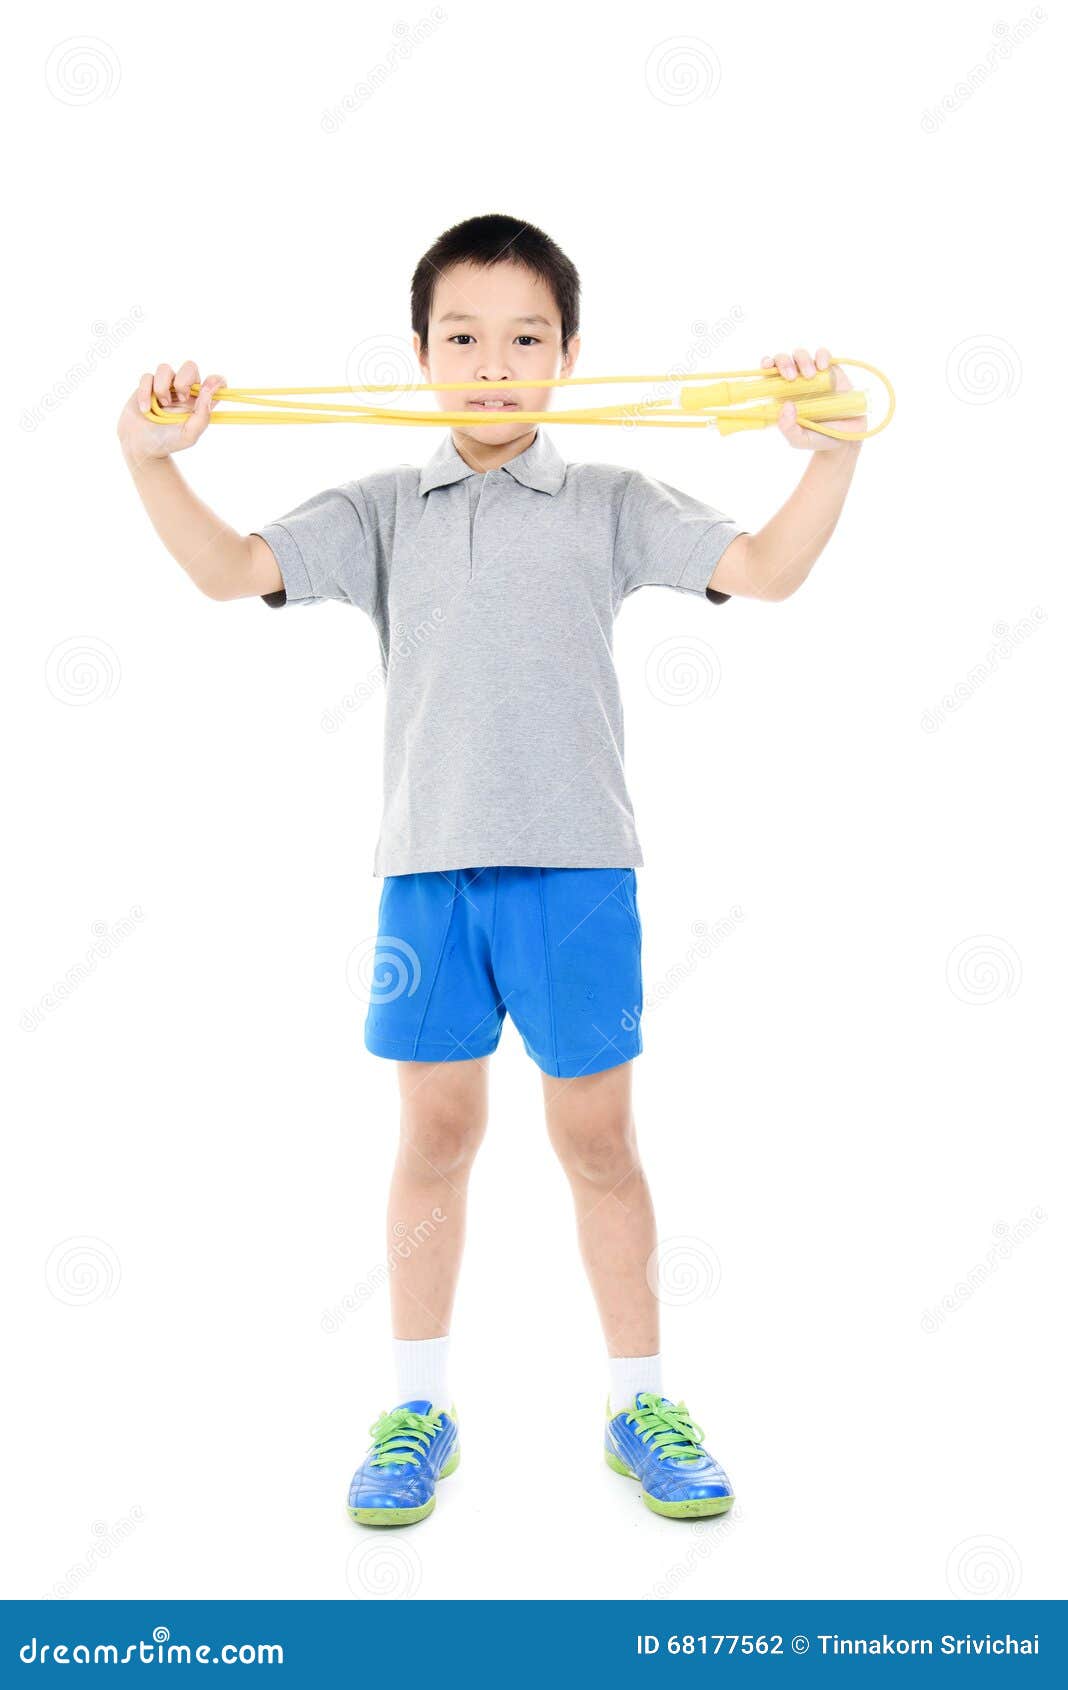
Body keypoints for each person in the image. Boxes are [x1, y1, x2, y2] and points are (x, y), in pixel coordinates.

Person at [116, 213, 865, 1527]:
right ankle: (416, 1406)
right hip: (428, 881)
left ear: (569, 354)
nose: (494, 361)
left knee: (598, 1141)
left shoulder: (614, 500)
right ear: (420, 353)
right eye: (462, 336)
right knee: (437, 1134)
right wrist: (152, 464)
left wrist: (832, 455)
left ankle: (641, 1400)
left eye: (526, 337)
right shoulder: (381, 507)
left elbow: (767, 569)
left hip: (579, 878)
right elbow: (233, 571)